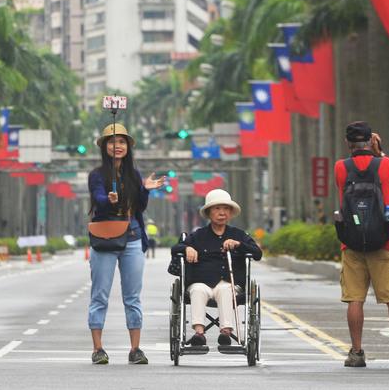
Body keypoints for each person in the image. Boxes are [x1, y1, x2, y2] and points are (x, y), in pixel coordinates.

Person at [87, 123, 165, 365]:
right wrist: (109, 200)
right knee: (100, 295)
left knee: (132, 297)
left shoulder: (135, 174)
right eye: (112, 142)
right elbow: (99, 199)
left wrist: (145, 190)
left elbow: (140, 207)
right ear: (104, 147)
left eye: (121, 142)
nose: (117, 146)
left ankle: (135, 349)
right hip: (105, 239)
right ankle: (98, 349)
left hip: (132, 238)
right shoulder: (97, 175)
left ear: (128, 147)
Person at [333, 121, 389, 368]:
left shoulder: (340, 168)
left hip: (352, 243)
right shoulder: (384, 164)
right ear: (370, 141)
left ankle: (356, 352)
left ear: (348, 143)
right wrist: (380, 152)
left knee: (355, 298)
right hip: (386, 241)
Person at [171, 189, 262, 347]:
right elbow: (175, 248)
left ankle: (226, 332)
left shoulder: (238, 235)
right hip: (202, 283)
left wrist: (238, 245)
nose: (222, 213)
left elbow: (257, 253)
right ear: (209, 212)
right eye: (217, 209)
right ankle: (199, 333)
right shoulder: (198, 235)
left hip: (229, 284)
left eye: (226, 209)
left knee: (225, 289)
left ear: (231, 213)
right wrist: (187, 249)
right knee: (197, 290)